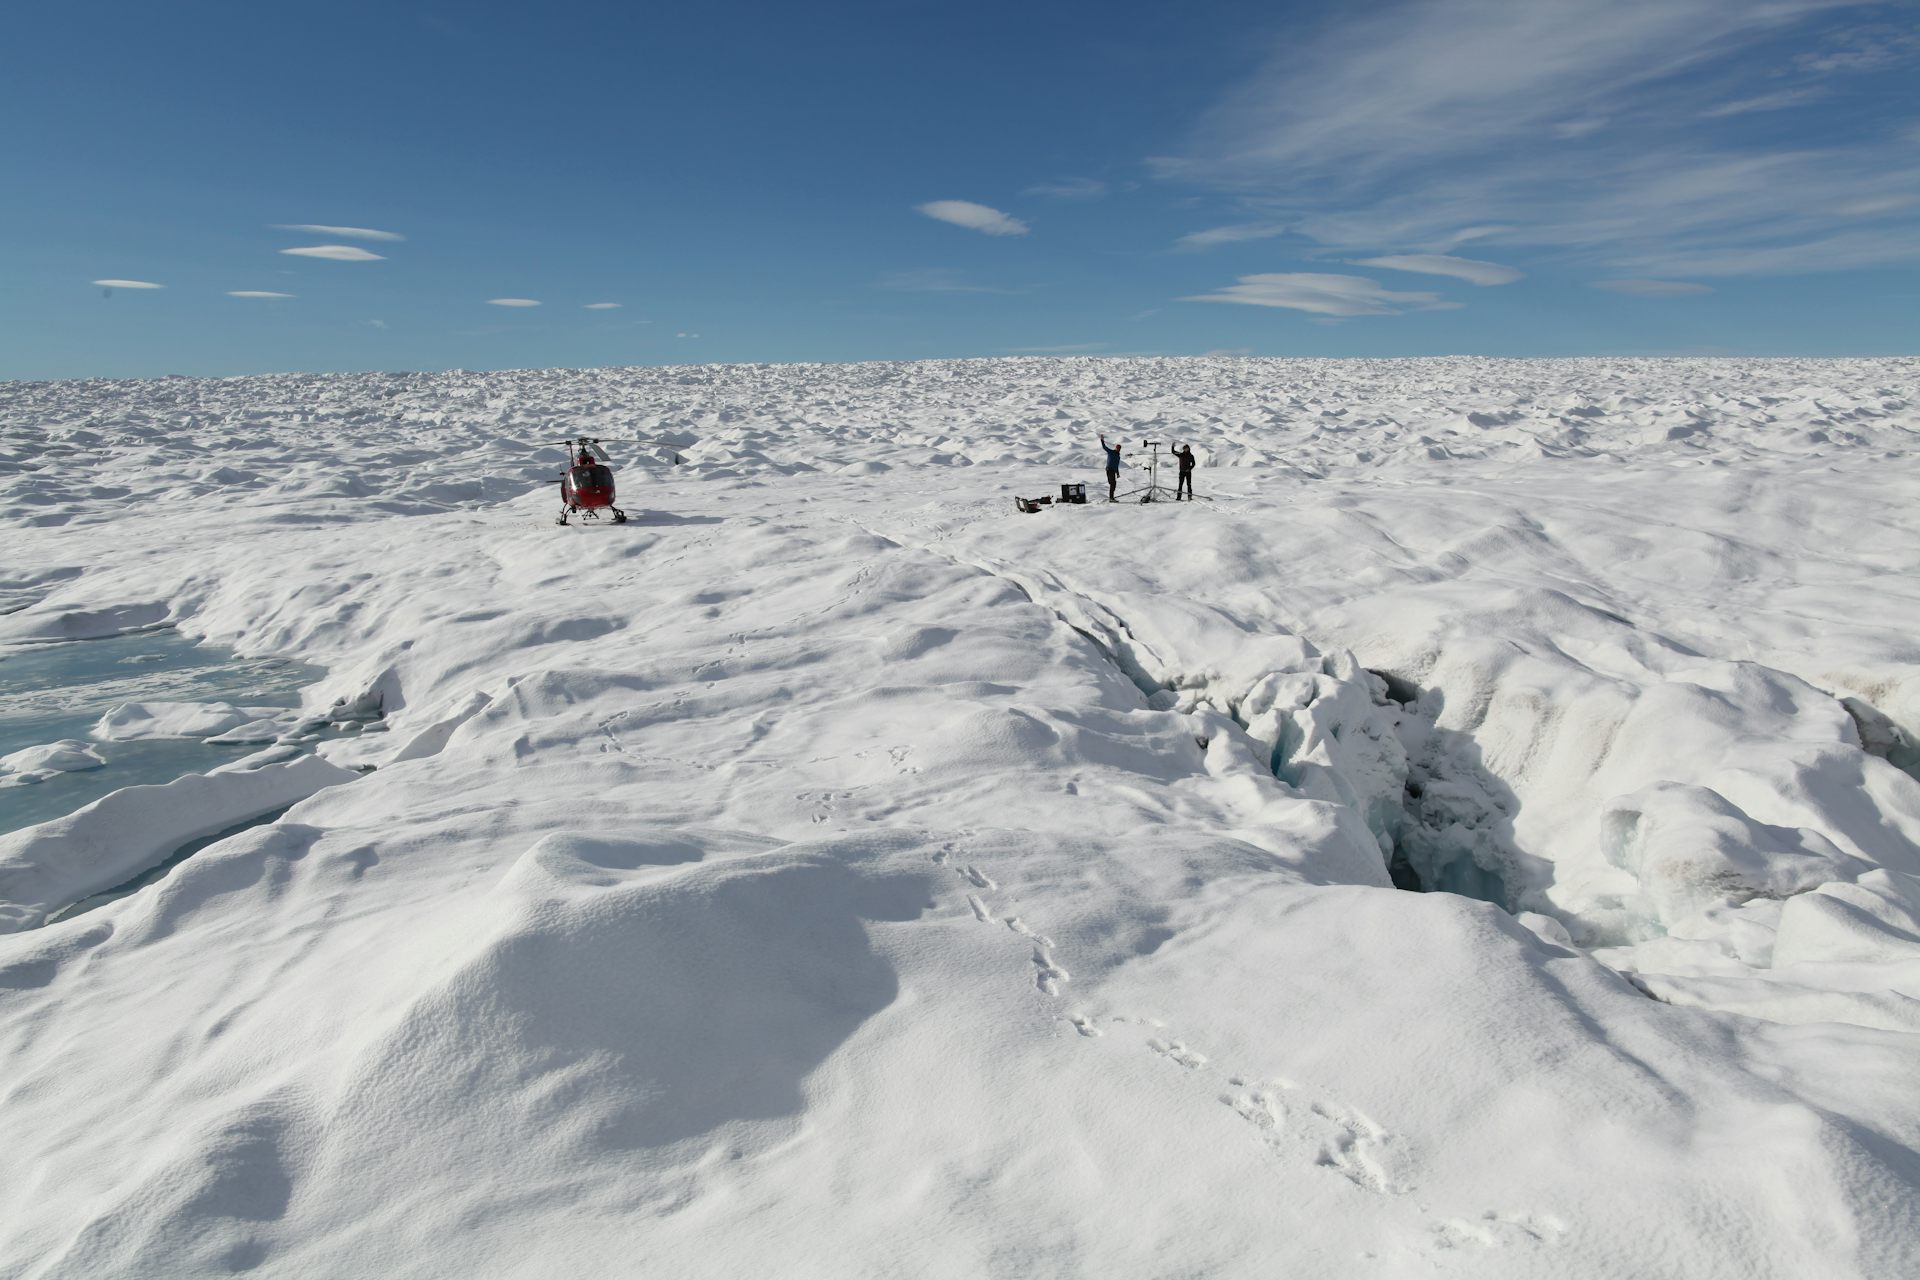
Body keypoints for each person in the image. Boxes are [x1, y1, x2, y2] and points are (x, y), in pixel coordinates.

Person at [1099, 433, 1124, 501]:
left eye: (1119, 449)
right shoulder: (1111, 452)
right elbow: (1104, 447)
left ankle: (1111, 497)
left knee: (1113, 484)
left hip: (1113, 471)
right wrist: (1102, 440)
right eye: (1117, 448)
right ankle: (1111, 498)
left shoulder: (1118, 457)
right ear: (1115, 448)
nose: (1118, 449)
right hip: (1109, 470)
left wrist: (1118, 473)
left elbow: (1116, 466)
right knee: (1112, 483)